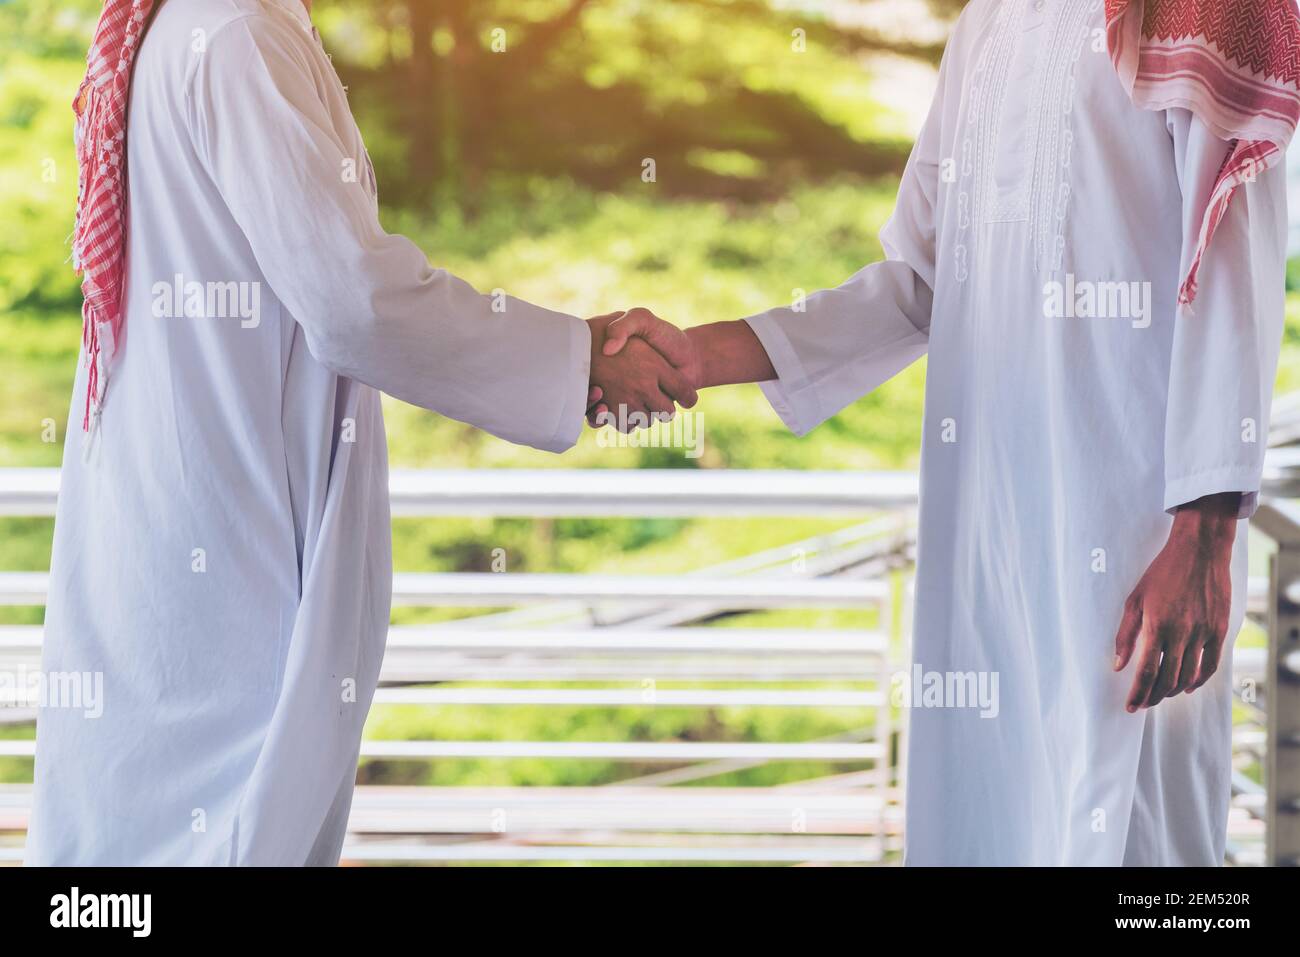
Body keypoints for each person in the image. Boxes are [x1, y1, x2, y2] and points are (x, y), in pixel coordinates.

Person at [600, 0, 1299, 865]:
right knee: (991, 818)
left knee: (1140, 837)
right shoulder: (986, 25)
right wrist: (700, 355)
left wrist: (1205, 527)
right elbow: (918, 283)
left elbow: (1233, 258)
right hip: (989, 540)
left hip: (1134, 546)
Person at [26, 0, 691, 865]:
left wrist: (570, 358)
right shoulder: (238, 34)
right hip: (233, 550)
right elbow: (353, 304)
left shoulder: (205, 23)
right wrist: (581, 361)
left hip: (183, 526)